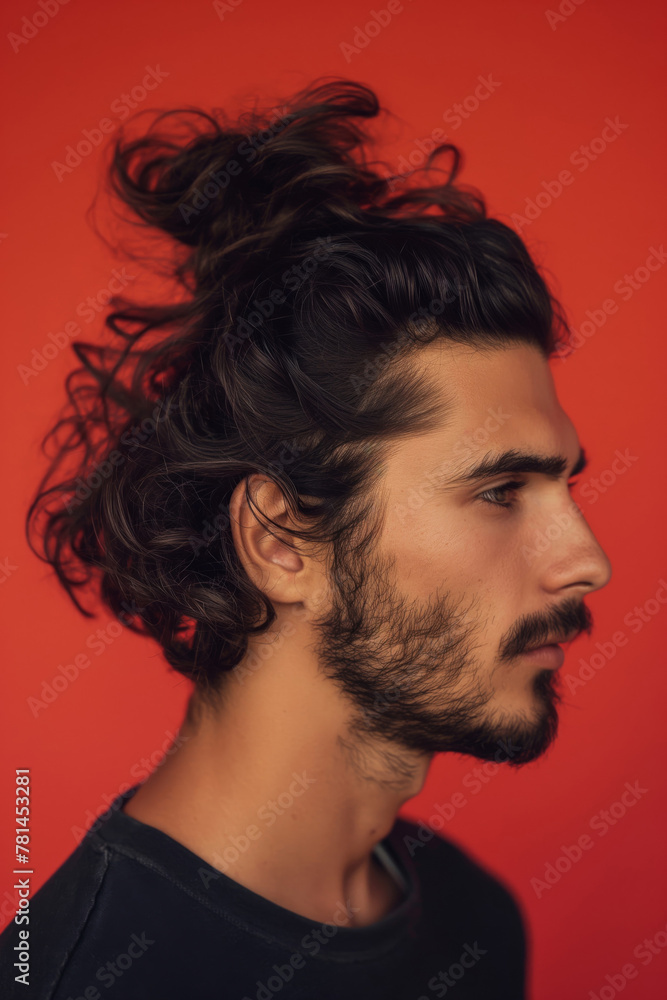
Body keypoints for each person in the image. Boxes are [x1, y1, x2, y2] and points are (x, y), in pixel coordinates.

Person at [0, 77, 611, 999]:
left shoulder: (470, 918)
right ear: (283, 543)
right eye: (499, 492)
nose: (588, 561)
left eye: (564, 486)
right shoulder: (85, 977)